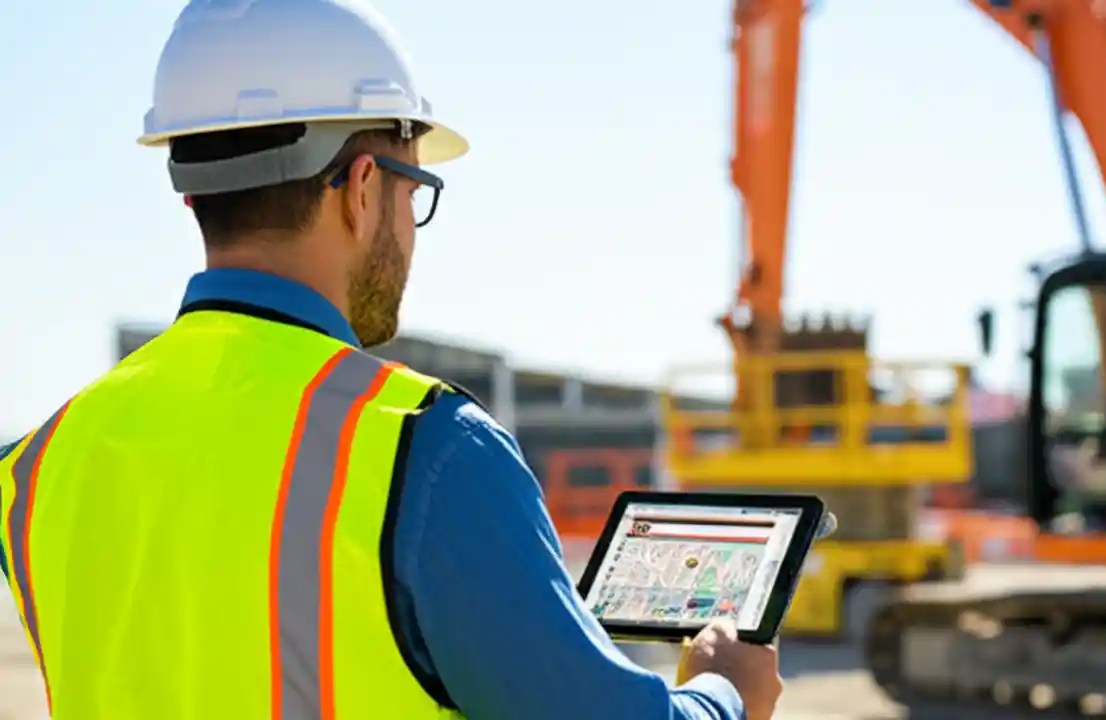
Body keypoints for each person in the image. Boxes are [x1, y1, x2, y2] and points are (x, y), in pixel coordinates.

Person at [0, 1, 783, 718]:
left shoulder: (36, 466)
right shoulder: (427, 447)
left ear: (193, 191)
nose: (411, 228)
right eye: (415, 191)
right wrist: (726, 694)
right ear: (364, 189)